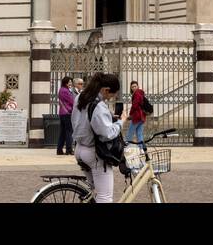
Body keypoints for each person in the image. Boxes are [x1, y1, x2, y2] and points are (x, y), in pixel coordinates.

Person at [71, 72, 126, 203]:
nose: (111, 98)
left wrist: (109, 118)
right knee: (104, 197)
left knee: (95, 191)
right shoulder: (99, 106)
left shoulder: (80, 97)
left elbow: (84, 120)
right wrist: (121, 121)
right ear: (106, 90)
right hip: (93, 153)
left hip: (79, 149)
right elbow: (107, 134)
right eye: (112, 94)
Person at [56, 76, 76, 155]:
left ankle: (59, 150)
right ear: (65, 82)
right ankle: (69, 149)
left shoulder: (62, 90)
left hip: (62, 113)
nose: (70, 83)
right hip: (67, 113)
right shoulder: (65, 91)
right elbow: (71, 101)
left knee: (63, 132)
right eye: (69, 82)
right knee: (69, 132)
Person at [127, 80, 148, 145]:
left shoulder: (137, 93)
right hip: (142, 117)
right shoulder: (141, 93)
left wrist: (130, 114)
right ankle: (141, 148)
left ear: (138, 86)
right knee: (139, 133)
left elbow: (135, 106)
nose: (134, 88)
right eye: (132, 87)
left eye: (135, 86)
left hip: (137, 116)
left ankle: (126, 146)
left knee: (130, 132)